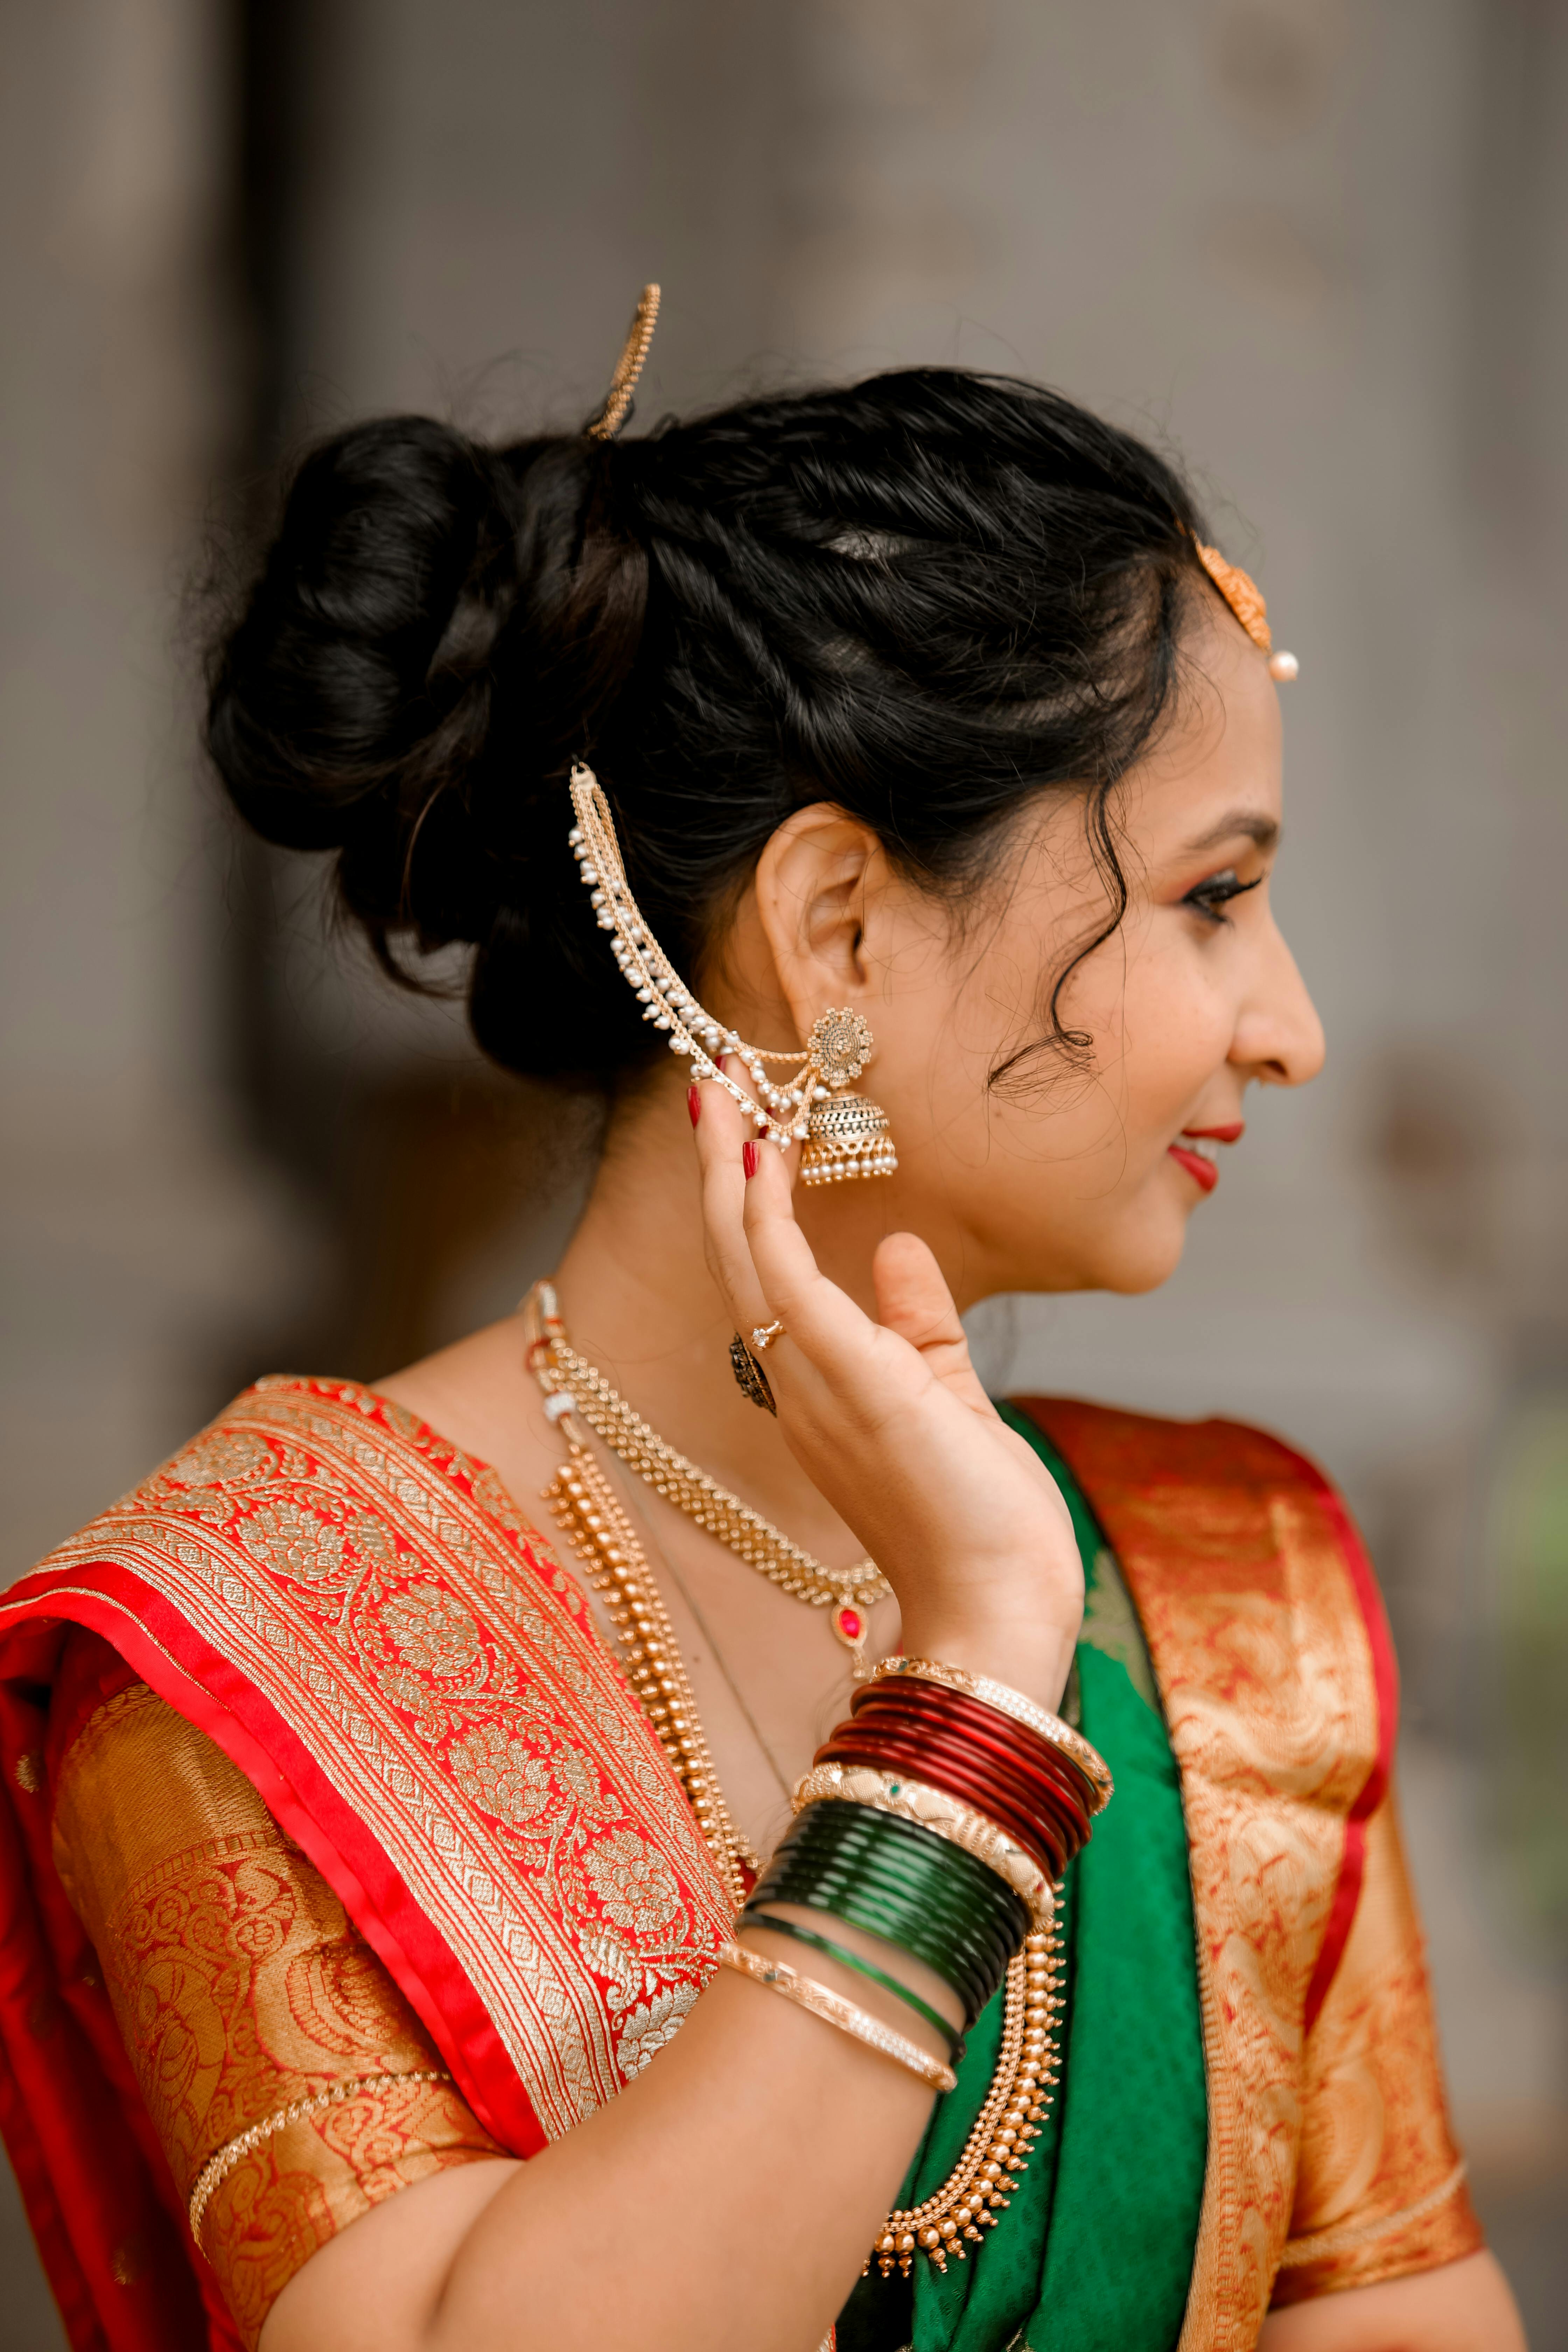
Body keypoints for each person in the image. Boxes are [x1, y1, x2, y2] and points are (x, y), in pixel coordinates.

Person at [0, 301, 1524, 2352]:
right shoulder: (255, 1650)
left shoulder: (1232, 1607)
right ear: (837, 931)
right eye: (1211, 898)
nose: (1296, 1028)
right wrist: (976, 1682)